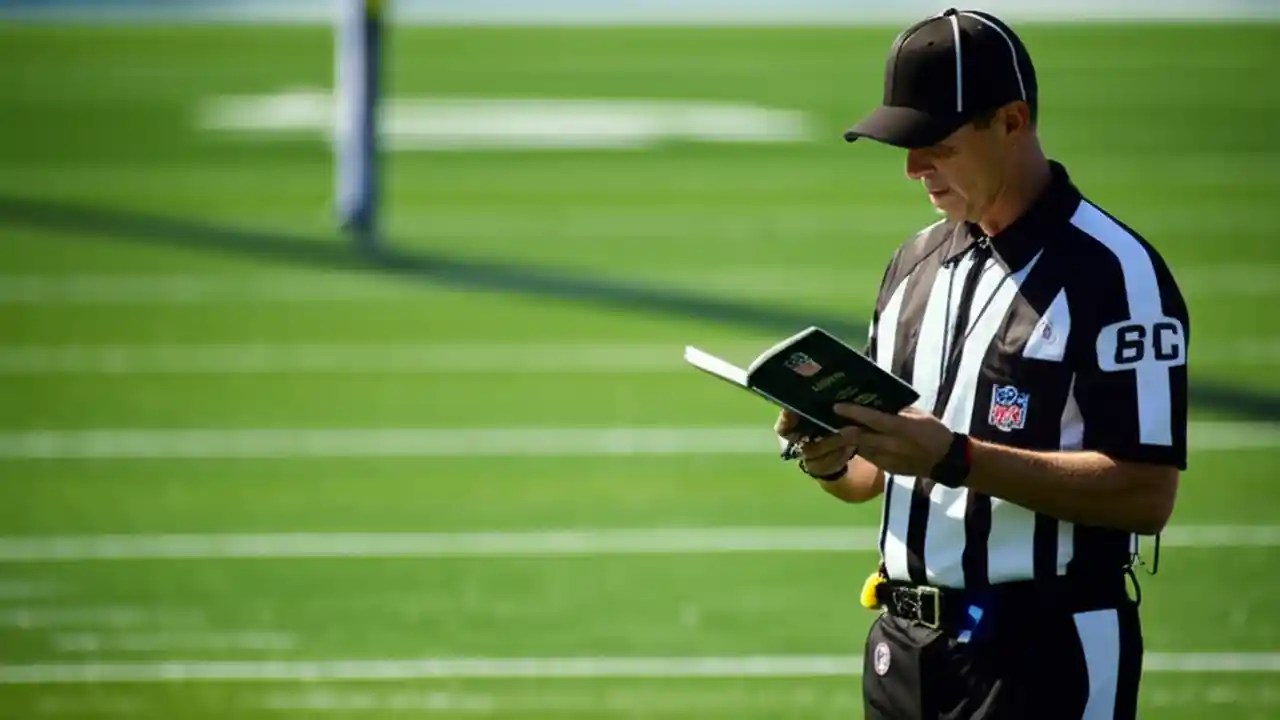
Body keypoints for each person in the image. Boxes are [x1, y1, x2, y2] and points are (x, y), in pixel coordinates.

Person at [775, 8, 1188, 719]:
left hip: (1043, 651)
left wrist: (957, 457)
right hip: (902, 647)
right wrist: (827, 456)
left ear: (1011, 120)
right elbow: (874, 476)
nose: (912, 168)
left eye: (933, 143)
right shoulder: (913, 264)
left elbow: (1146, 493)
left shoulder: (1114, 275)